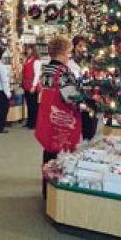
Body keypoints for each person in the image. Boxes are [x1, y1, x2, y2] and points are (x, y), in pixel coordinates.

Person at [37, 36, 80, 199]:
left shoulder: (47, 69)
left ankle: (46, 188)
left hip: (48, 119)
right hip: (62, 121)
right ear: (62, 52)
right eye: (69, 52)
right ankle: (55, 194)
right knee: (61, 158)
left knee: (48, 153)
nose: (70, 56)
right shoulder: (63, 72)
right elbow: (71, 97)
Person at [68, 35, 97, 140]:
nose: (83, 49)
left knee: (90, 129)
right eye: (80, 46)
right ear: (74, 47)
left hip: (91, 98)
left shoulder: (90, 62)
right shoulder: (70, 64)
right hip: (77, 100)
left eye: (85, 46)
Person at [22, 44, 42, 129]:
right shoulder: (28, 60)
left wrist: (33, 86)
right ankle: (30, 121)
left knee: (33, 105)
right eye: (27, 49)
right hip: (26, 84)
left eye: (29, 49)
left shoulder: (36, 61)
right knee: (29, 104)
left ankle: (33, 123)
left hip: (32, 85)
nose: (28, 51)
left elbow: (37, 75)